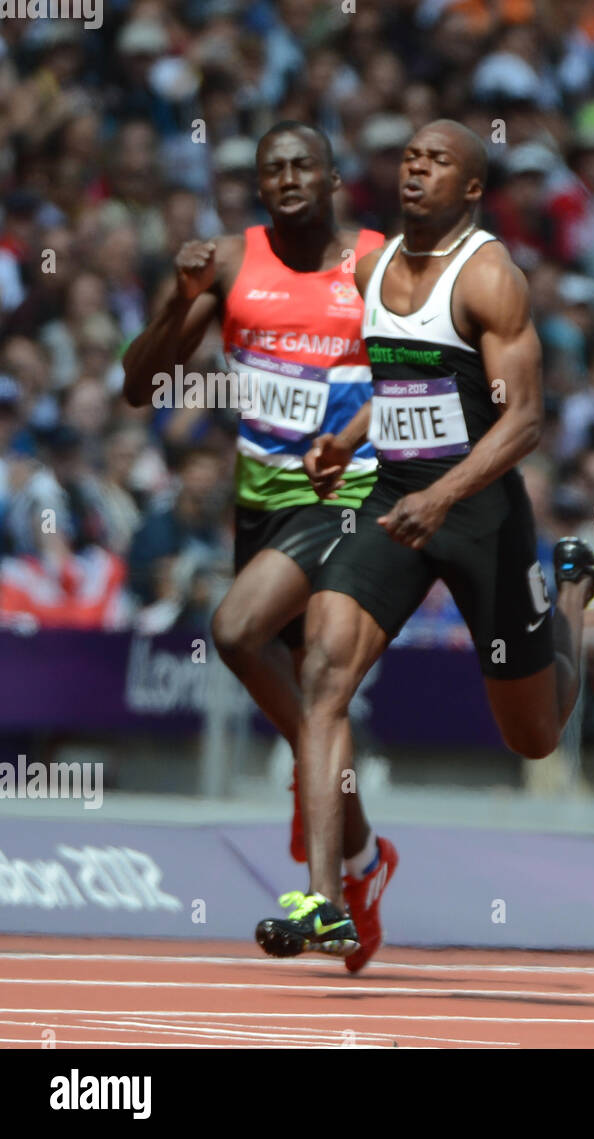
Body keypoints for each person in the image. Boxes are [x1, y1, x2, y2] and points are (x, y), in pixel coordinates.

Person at [254, 121, 594, 959]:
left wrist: (446, 494)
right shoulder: (373, 267)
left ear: (472, 189)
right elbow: (406, 379)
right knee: (322, 668)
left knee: (534, 734)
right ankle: (326, 898)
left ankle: (573, 592)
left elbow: (522, 420)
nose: (416, 172)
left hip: (481, 513)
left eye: (437, 163)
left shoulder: (489, 275)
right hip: (396, 500)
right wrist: (347, 437)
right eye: (409, 160)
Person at [120, 122, 394, 972]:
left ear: (333, 176)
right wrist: (178, 295)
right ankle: (360, 863)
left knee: (238, 629)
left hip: (348, 496)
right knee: (316, 705)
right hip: (262, 509)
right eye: (271, 168)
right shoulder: (233, 265)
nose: (286, 178)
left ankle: (326, 892)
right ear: (259, 185)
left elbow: (426, 377)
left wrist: (356, 435)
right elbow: (140, 382)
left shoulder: (381, 263)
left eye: (301, 163)